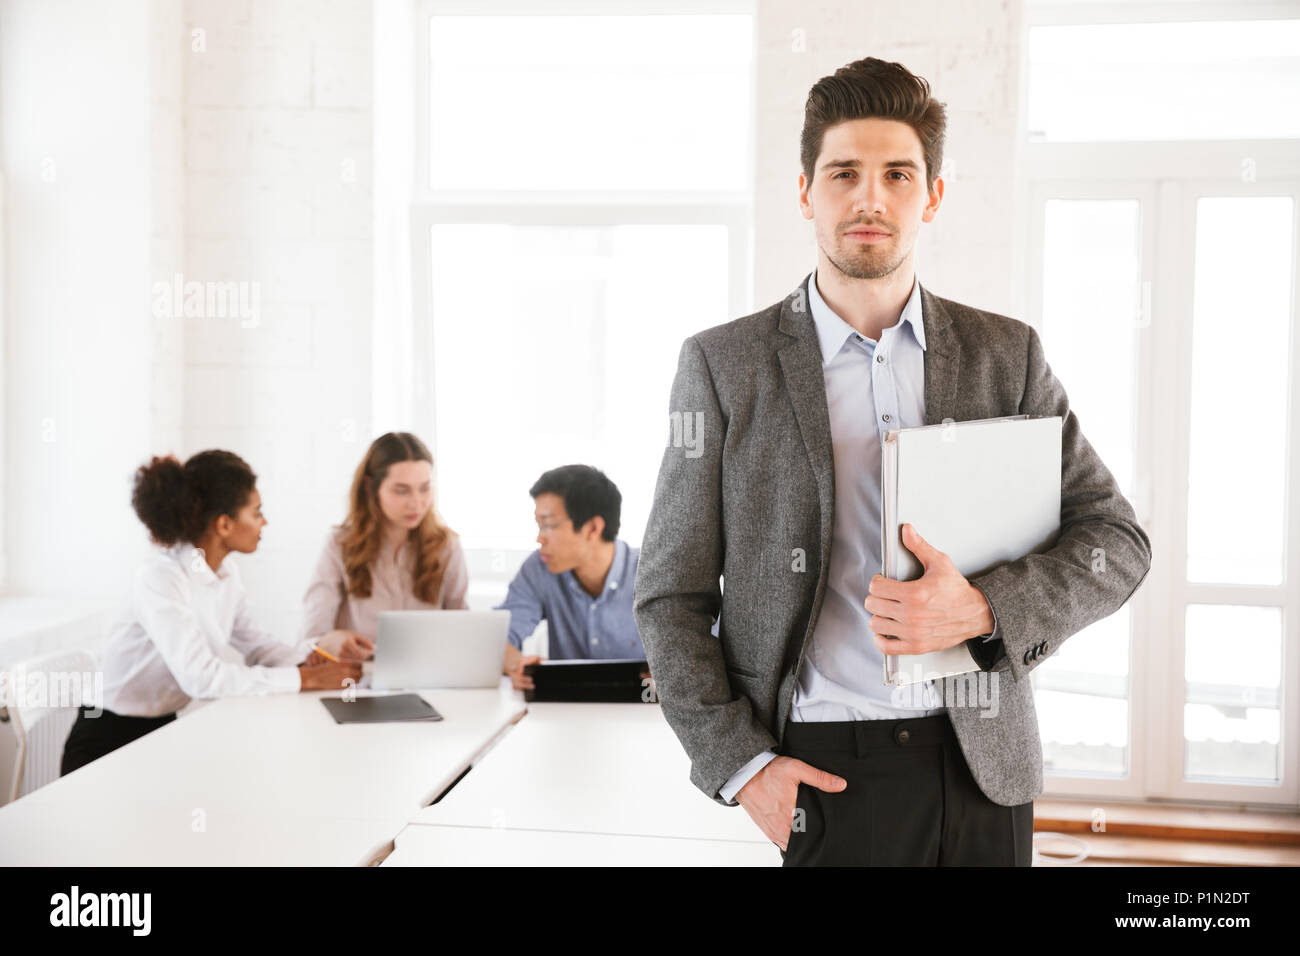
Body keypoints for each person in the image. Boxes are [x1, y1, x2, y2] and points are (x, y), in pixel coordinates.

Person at [633, 57, 1152, 866]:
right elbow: (669, 596)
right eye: (844, 173)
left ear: (932, 195)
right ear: (805, 191)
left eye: (897, 175)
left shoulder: (1006, 355)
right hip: (825, 774)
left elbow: (1115, 542)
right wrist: (739, 765)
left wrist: (985, 609)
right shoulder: (722, 368)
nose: (869, 198)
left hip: (985, 770)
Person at [61, 451, 365, 776]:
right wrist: (304, 678)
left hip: (160, 728)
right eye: (257, 512)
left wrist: (308, 657)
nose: (265, 523)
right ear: (224, 524)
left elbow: (256, 644)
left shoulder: (226, 572)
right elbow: (202, 679)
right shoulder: (161, 578)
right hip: (106, 740)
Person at [301, 432, 468, 653]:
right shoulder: (340, 544)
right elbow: (313, 637)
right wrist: (333, 642)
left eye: (425, 488)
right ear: (371, 488)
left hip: (428, 677)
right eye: (402, 491)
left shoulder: (447, 545)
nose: (416, 503)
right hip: (359, 677)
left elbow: (463, 630)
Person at [499, 465, 643, 690]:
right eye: (538, 526)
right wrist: (518, 666)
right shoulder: (539, 568)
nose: (539, 539)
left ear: (593, 528)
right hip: (564, 713)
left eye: (548, 525)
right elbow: (500, 636)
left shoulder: (651, 573)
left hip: (645, 715)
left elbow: (696, 646)